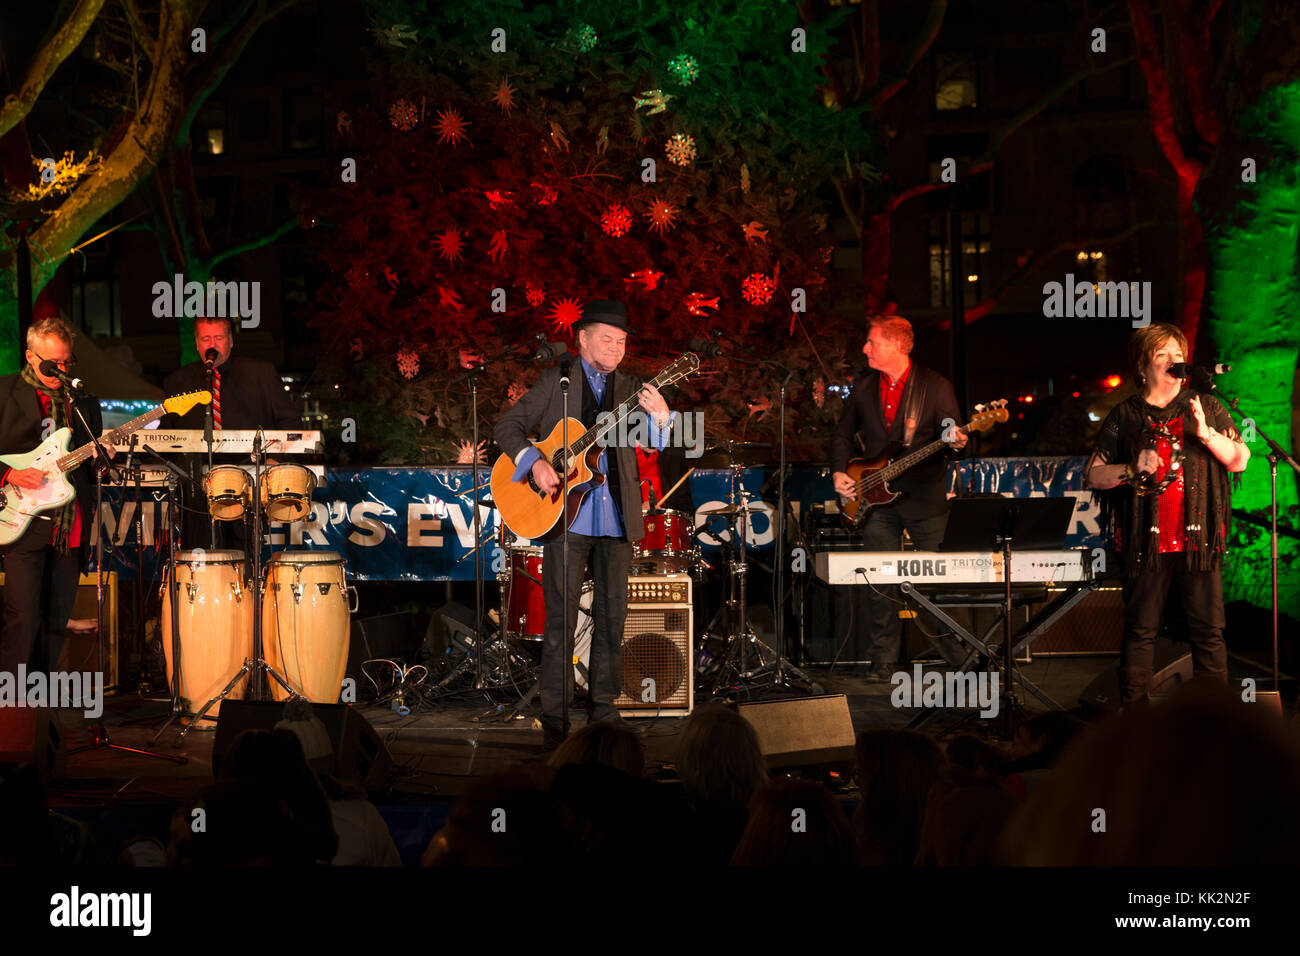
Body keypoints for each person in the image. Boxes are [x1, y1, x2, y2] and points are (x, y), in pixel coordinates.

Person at [494, 300, 675, 748]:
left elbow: (652, 443)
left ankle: (604, 711)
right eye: (607, 339)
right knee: (560, 619)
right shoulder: (558, 382)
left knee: (613, 619)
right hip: (564, 517)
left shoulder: (633, 387)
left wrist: (662, 419)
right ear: (583, 340)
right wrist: (534, 463)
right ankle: (555, 717)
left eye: (622, 342)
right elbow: (507, 426)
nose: (616, 348)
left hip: (616, 515)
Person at [1084, 322, 1248, 705]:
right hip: (1148, 540)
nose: (1174, 362)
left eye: (1178, 354)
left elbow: (1240, 460)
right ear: (1142, 367)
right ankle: (1136, 721)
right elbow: (1093, 473)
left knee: (1208, 631)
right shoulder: (1126, 415)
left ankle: (1214, 716)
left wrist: (1205, 433)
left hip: (1198, 538)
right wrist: (1130, 469)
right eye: (1162, 356)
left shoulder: (1205, 404)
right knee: (1141, 630)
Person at [830, 315, 968, 680]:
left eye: (872, 342)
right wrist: (840, 472)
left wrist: (958, 444)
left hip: (924, 498)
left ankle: (959, 659)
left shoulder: (935, 386)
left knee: (939, 579)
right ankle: (883, 661)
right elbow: (843, 436)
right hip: (874, 498)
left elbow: (955, 442)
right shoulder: (864, 386)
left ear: (896, 345)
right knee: (880, 583)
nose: (865, 348)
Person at [0, 317, 114, 674]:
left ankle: (43, 706)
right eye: (53, 363)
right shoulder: (4, 393)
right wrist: (11, 473)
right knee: (23, 617)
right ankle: (13, 712)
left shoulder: (83, 402)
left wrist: (102, 460)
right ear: (31, 357)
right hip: (22, 521)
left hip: (70, 526)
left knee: (56, 616)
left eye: (66, 362)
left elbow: (92, 469)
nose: (60, 370)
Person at [161, 315, 301, 431]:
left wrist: (274, 458)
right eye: (206, 339)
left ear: (231, 341)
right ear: (197, 344)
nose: (212, 344)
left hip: (253, 463)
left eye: (219, 338)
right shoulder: (178, 380)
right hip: (194, 464)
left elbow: (290, 421)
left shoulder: (262, 374)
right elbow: (166, 434)